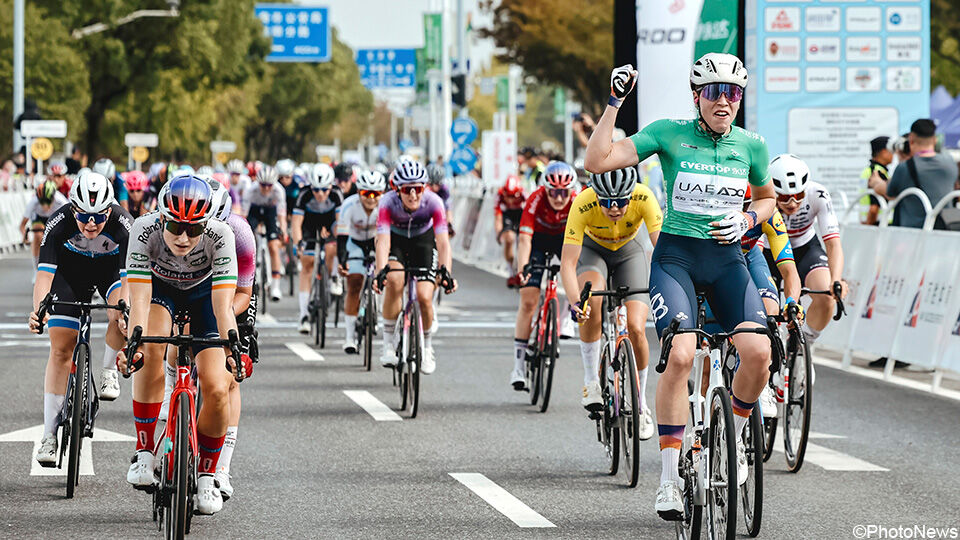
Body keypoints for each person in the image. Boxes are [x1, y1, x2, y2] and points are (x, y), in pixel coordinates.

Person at [583, 54, 777, 520]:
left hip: (729, 260)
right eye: (714, 92)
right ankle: (669, 478)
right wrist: (614, 103)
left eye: (733, 93)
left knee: (759, 354)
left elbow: (769, 198)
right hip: (677, 259)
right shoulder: (669, 132)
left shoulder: (752, 145)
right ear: (697, 97)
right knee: (683, 354)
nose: (724, 101)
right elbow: (597, 160)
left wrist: (751, 216)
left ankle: (732, 436)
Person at [118, 175, 239, 515]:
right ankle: (144, 453)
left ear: (207, 223)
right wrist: (133, 346)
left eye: (194, 229)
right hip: (160, 291)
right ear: (161, 217)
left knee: (216, 386)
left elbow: (223, 307)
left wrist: (233, 347)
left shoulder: (221, 235)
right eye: (175, 226)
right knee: (151, 350)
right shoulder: (143, 230)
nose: (184, 238)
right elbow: (139, 301)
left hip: (205, 295)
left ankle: (206, 475)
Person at [156, 179, 256, 502]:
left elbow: (242, 295)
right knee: (177, 336)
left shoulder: (238, 235)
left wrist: (225, 326)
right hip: (181, 284)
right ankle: (173, 383)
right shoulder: (172, 229)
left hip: (229, 295)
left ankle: (220, 468)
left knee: (227, 380)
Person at [28, 172, 132, 466]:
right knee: (61, 347)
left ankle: (108, 368)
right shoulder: (57, 222)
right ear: (73, 209)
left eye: (99, 217)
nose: (91, 224)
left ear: (109, 211)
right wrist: (39, 310)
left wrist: (125, 310)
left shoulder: (124, 225)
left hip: (110, 272)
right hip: (69, 274)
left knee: (119, 312)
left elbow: (130, 281)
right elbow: (45, 276)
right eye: (84, 216)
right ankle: (48, 435)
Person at [560, 167, 661, 438]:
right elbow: (568, 264)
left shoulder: (644, 197)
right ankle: (591, 380)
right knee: (591, 304)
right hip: (593, 253)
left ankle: (640, 403)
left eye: (621, 202)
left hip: (631, 251)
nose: (614, 209)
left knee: (636, 327)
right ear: (597, 196)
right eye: (606, 203)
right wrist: (574, 302)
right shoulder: (582, 202)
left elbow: (662, 252)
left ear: (631, 195)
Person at [373, 160, 457, 374]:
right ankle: (389, 344)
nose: (413, 195)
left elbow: (443, 242)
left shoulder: (434, 202)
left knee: (424, 295)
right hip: (397, 242)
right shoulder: (386, 202)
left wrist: (445, 271)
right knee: (393, 280)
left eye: (418, 189)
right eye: (407, 190)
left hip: (423, 242)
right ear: (397, 189)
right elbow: (382, 241)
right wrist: (380, 271)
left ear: (425, 188)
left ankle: (427, 348)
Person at [509, 161, 578, 389]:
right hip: (537, 241)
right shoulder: (535, 199)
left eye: (563, 193)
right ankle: (518, 367)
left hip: (564, 239)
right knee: (528, 300)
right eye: (554, 192)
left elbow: (583, 242)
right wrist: (522, 269)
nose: (559, 198)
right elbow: (524, 239)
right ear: (545, 190)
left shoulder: (577, 200)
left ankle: (567, 317)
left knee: (580, 273)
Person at [765, 154, 846, 349]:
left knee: (827, 297)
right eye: (784, 197)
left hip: (805, 247)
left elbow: (833, 243)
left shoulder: (817, 193)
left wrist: (836, 279)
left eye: (798, 196)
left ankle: (803, 346)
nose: (792, 203)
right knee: (766, 307)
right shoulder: (763, 196)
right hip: (769, 251)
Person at [872, 119, 959, 229]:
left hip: (914, 234)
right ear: (935, 139)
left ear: (911, 139)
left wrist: (877, 183)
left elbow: (889, 192)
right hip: (943, 231)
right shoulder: (949, 163)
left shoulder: (904, 168)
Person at [292, 163, 344, 333]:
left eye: (324, 190)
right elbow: (296, 223)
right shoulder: (304, 194)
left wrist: (336, 239)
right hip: (310, 223)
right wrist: (298, 243)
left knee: (333, 247)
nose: (320, 194)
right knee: (307, 264)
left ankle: (334, 276)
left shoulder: (336, 194)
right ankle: (304, 315)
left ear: (330, 187)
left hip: (330, 221)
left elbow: (341, 223)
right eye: (316, 190)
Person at [336, 170, 385, 353]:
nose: (371, 198)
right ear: (359, 192)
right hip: (354, 243)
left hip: (376, 242)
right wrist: (343, 261)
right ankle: (349, 337)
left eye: (376, 194)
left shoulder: (385, 208)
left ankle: (377, 309)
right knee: (355, 282)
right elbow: (341, 238)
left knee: (384, 276)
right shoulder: (348, 206)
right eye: (366, 193)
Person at [242, 166, 287, 301]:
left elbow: (281, 215)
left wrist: (283, 231)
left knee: (273, 246)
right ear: (258, 182)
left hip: (270, 212)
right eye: (263, 185)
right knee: (247, 239)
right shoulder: (250, 190)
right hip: (254, 211)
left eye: (269, 185)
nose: (266, 188)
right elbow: (244, 216)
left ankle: (275, 286)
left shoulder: (279, 190)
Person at [20, 178, 68, 275]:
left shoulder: (61, 200)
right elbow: (22, 225)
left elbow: (70, 220)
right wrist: (25, 236)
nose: (45, 206)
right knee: (38, 236)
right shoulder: (33, 202)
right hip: (39, 218)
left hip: (55, 217)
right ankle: (36, 270)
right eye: (42, 202)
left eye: (48, 201)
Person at [494, 175, 526, 287]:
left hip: (521, 214)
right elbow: (497, 217)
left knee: (524, 241)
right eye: (508, 196)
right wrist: (499, 233)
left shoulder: (524, 194)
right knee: (509, 238)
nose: (511, 200)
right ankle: (510, 271)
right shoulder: (499, 194)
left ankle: (522, 268)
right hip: (508, 215)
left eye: (513, 197)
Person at [861, 136, 892, 225]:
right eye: (891, 151)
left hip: (870, 223)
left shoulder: (868, 170)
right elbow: (874, 208)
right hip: (877, 226)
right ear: (883, 152)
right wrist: (868, 229)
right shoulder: (877, 173)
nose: (893, 154)